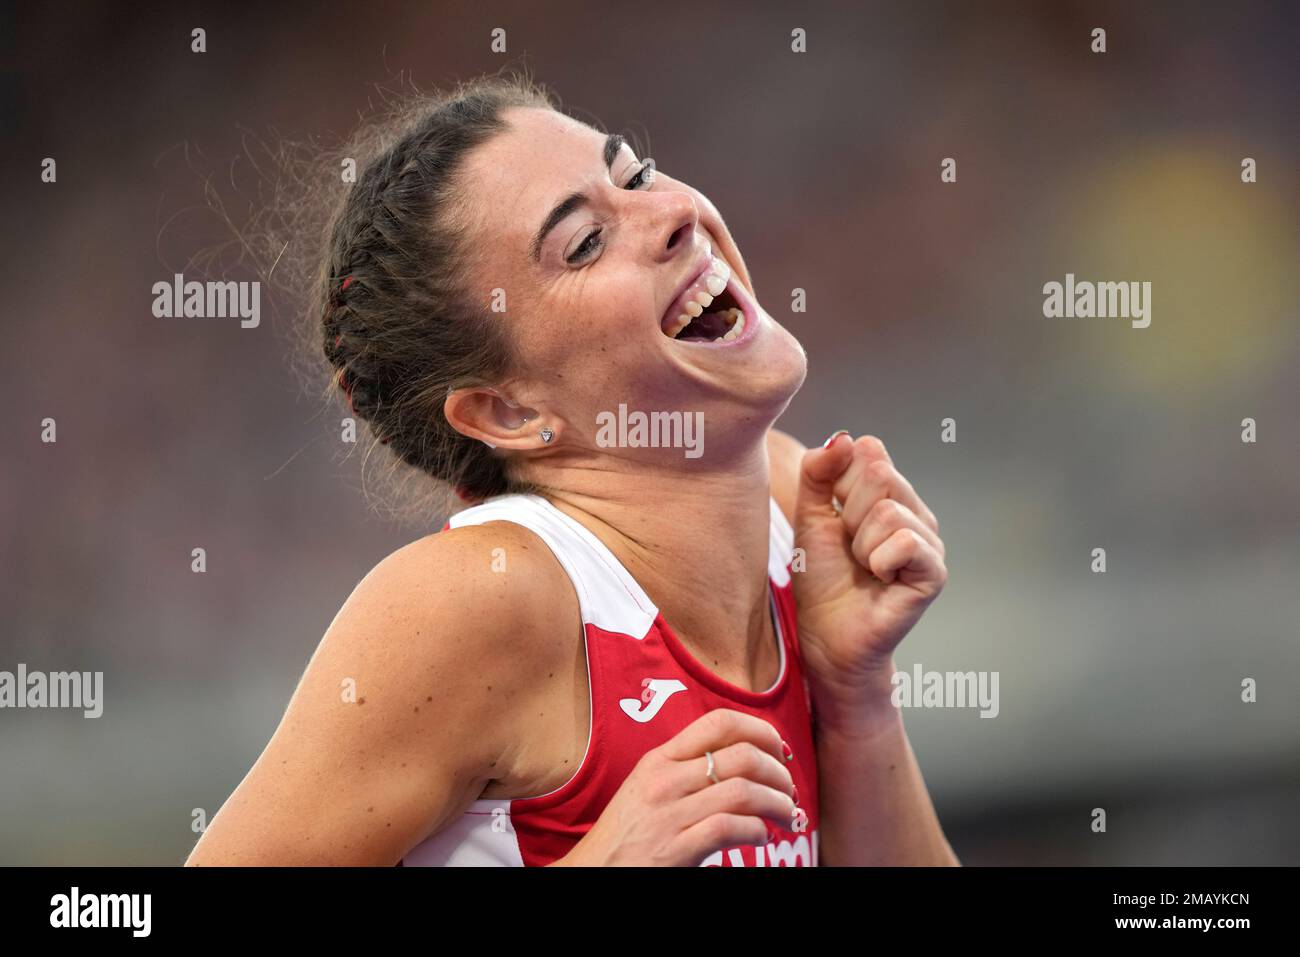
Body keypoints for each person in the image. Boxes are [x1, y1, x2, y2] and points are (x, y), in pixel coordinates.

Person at [186, 73, 956, 867]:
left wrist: (854, 700)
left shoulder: (798, 514)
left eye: (637, 176)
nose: (673, 213)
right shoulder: (482, 600)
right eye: (585, 242)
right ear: (506, 412)